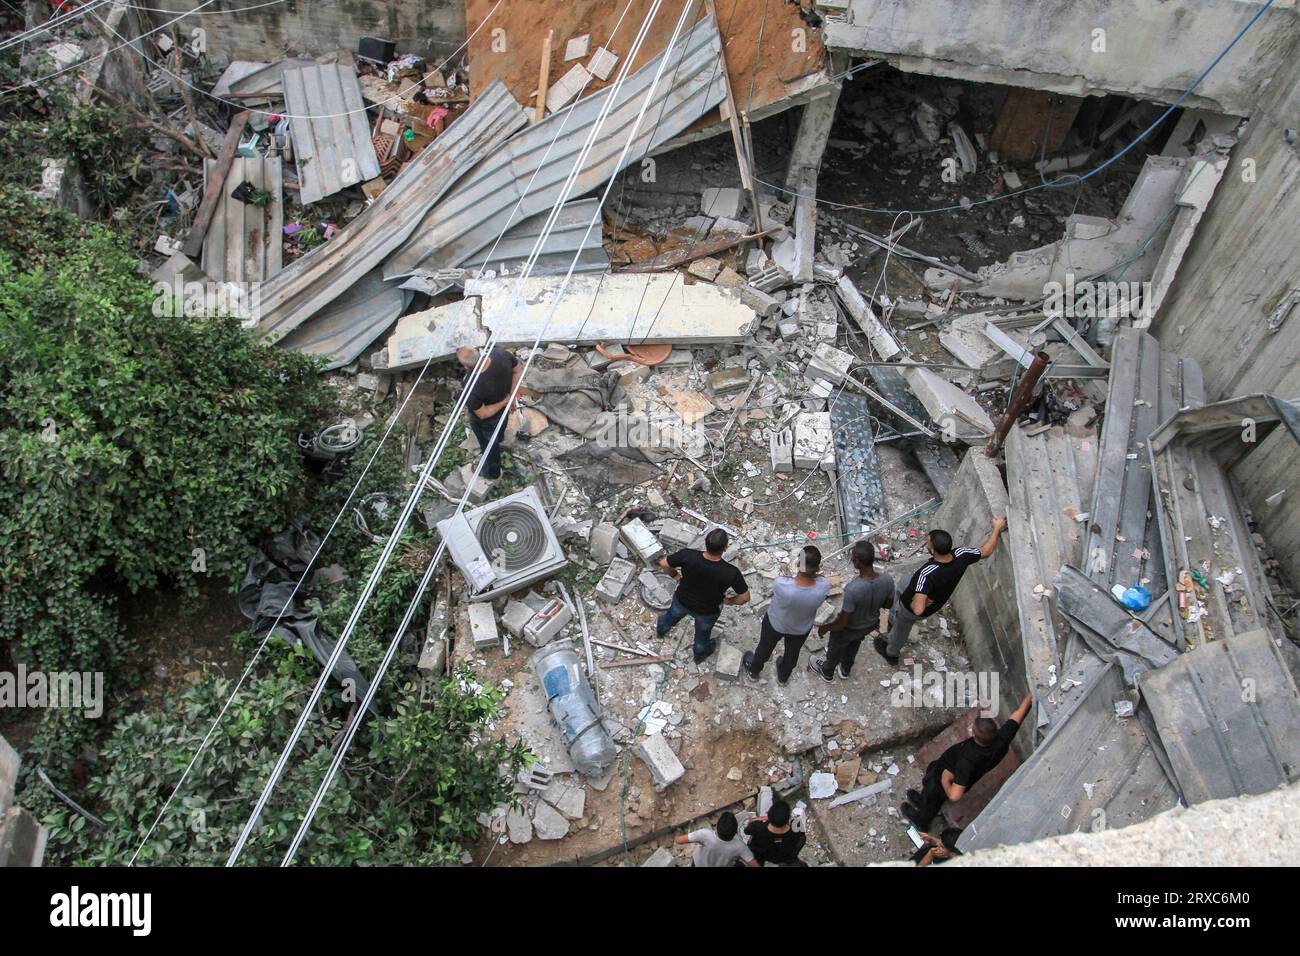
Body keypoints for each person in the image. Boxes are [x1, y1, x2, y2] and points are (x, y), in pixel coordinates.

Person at [877, 519, 1008, 665]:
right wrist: (997, 528)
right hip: (935, 598)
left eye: (928, 543)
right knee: (904, 582)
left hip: (910, 608)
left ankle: (891, 652)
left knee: (901, 628)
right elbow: (986, 551)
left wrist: (921, 600)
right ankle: (894, 618)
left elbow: (918, 609)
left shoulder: (927, 574)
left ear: (933, 550)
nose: (926, 544)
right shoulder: (961, 554)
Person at [902, 692, 1032, 830]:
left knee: (933, 797)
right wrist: (1029, 698)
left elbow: (955, 795)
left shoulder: (967, 762)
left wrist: (945, 780)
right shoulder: (1001, 741)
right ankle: (923, 801)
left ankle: (922, 820)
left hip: (945, 781)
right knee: (930, 787)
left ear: (974, 734)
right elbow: (1017, 715)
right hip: (947, 768)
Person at [656, 528, 750, 664]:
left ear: (706, 543)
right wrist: (729, 601)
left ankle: (661, 630)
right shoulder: (731, 572)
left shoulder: (687, 555)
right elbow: (745, 597)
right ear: (725, 548)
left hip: (682, 601)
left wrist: (675, 576)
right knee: (702, 636)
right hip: (707, 611)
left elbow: (663, 563)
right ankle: (699, 654)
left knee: (670, 617)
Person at [742, 545, 830, 685]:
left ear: (798, 564)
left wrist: (797, 573)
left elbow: (791, 581)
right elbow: (821, 579)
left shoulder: (782, 585)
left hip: (776, 623)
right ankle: (783, 676)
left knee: (764, 647)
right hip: (801, 628)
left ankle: (754, 670)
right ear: (817, 568)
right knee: (792, 653)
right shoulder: (824, 586)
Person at [808, 540, 893, 682]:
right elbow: (888, 605)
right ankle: (845, 669)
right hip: (869, 624)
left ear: (858, 561)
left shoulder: (854, 589)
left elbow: (842, 622)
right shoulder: (887, 580)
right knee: (854, 645)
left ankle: (827, 671)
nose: (852, 559)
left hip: (849, 628)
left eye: (853, 557)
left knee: (835, 648)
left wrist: (825, 627)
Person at [456, 345, 522, 481]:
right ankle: (500, 438)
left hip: (487, 421)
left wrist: (506, 400)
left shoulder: (470, 385)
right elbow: (517, 370)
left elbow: (483, 414)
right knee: (501, 424)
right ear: (479, 352)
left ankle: (492, 472)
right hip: (502, 409)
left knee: (489, 446)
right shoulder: (499, 353)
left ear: (466, 367)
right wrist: (510, 396)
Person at [674, 811, 759, 867]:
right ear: (735, 830)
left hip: (698, 864)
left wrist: (677, 835)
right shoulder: (740, 846)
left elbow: (679, 840)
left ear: (717, 825)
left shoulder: (705, 834)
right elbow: (754, 865)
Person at [743, 800, 806, 866]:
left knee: (754, 848)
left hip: (765, 854)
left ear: (769, 815)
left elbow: (746, 831)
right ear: (788, 818)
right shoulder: (796, 825)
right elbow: (802, 835)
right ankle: (789, 861)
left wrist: (755, 820)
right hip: (786, 854)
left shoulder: (757, 826)